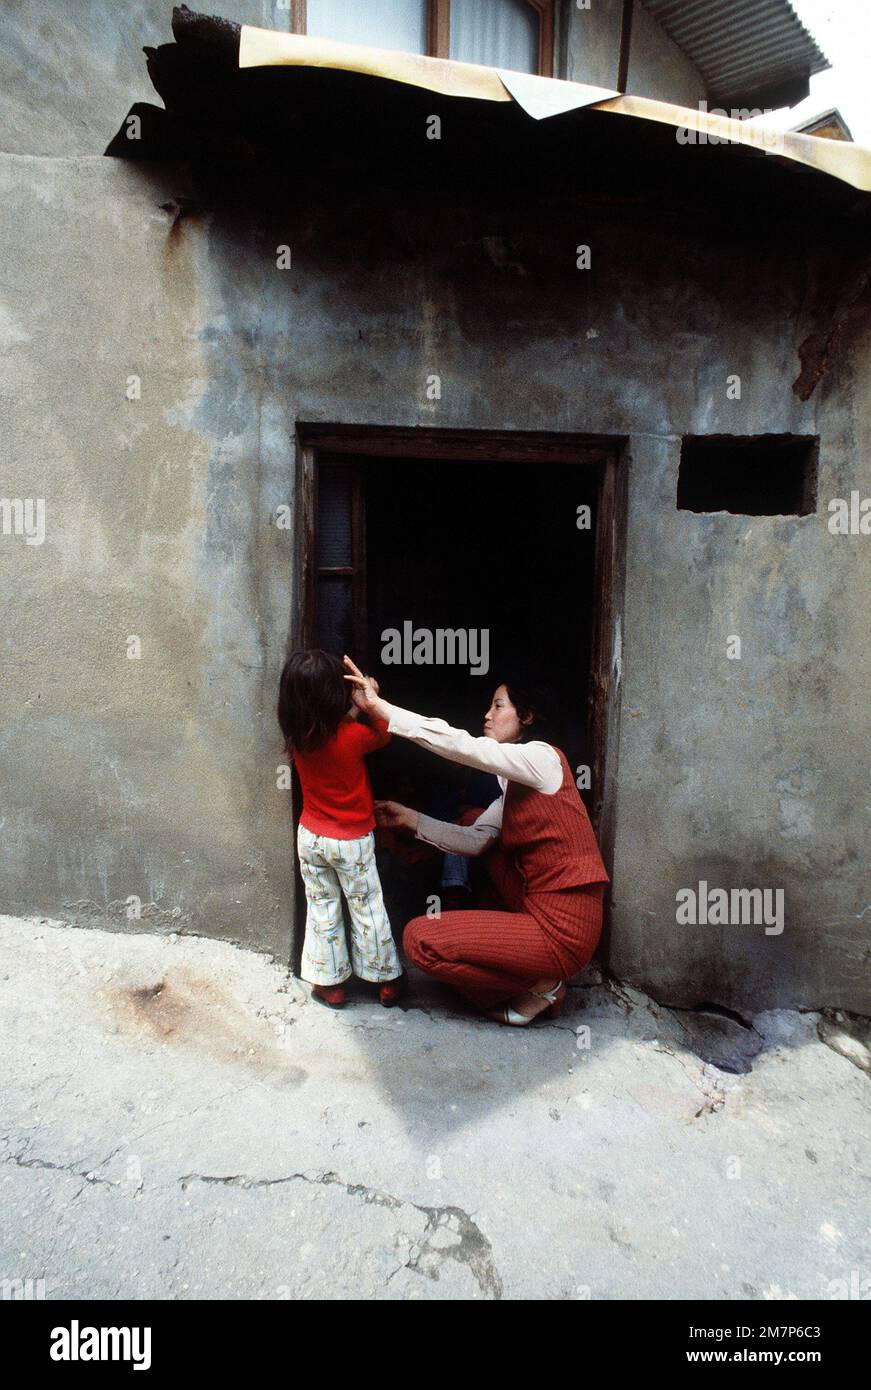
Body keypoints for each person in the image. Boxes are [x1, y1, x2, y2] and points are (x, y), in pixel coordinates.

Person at [342, 655, 609, 1026]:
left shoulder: (543, 759)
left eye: (498, 706)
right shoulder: (512, 786)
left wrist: (380, 708)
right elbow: (473, 840)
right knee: (479, 831)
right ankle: (539, 974)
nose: (487, 714)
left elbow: (462, 746)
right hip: (543, 908)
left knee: (419, 940)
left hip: (565, 929)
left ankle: (541, 986)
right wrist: (410, 818)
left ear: (526, 716)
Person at [277, 649, 403, 1008]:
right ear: (338, 695)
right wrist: (371, 700)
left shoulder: (298, 737)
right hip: (352, 841)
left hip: (312, 838)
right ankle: (385, 981)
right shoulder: (353, 736)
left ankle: (330, 985)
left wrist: (354, 708)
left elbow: (331, 728)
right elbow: (384, 733)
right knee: (367, 909)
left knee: (323, 910)